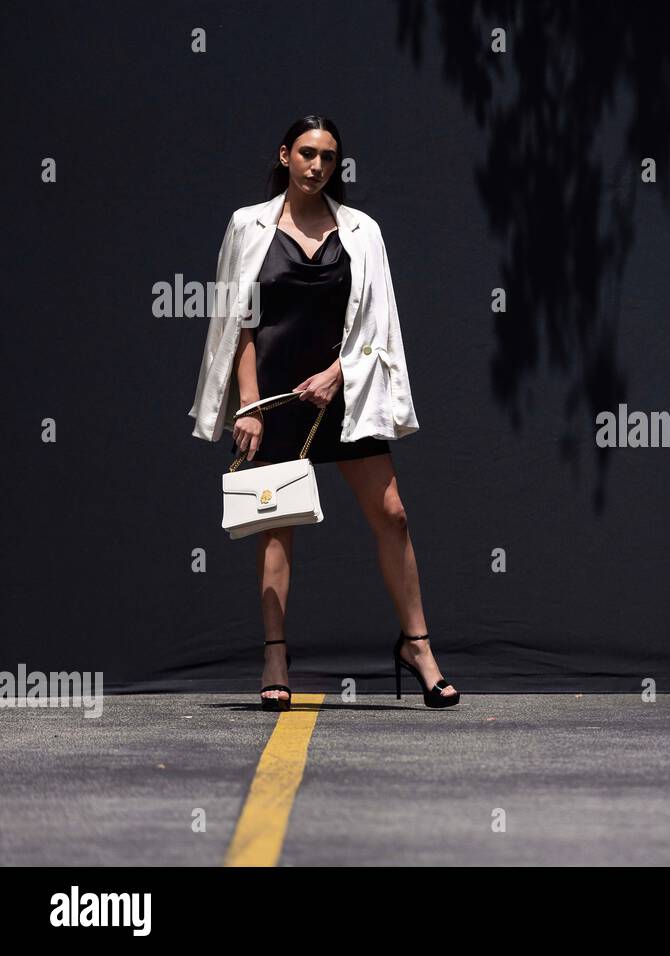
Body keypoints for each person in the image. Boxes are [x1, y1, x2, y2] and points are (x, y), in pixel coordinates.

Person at [189, 114, 458, 712]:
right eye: (306, 153)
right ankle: (276, 655)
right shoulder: (248, 226)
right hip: (275, 403)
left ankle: (417, 648)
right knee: (275, 527)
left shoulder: (362, 231)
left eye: (328, 157)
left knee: (393, 515)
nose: (316, 166)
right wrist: (250, 407)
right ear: (285, 155)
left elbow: (379, 325)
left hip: (346, 393)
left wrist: (339, 375)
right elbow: (239, 325)